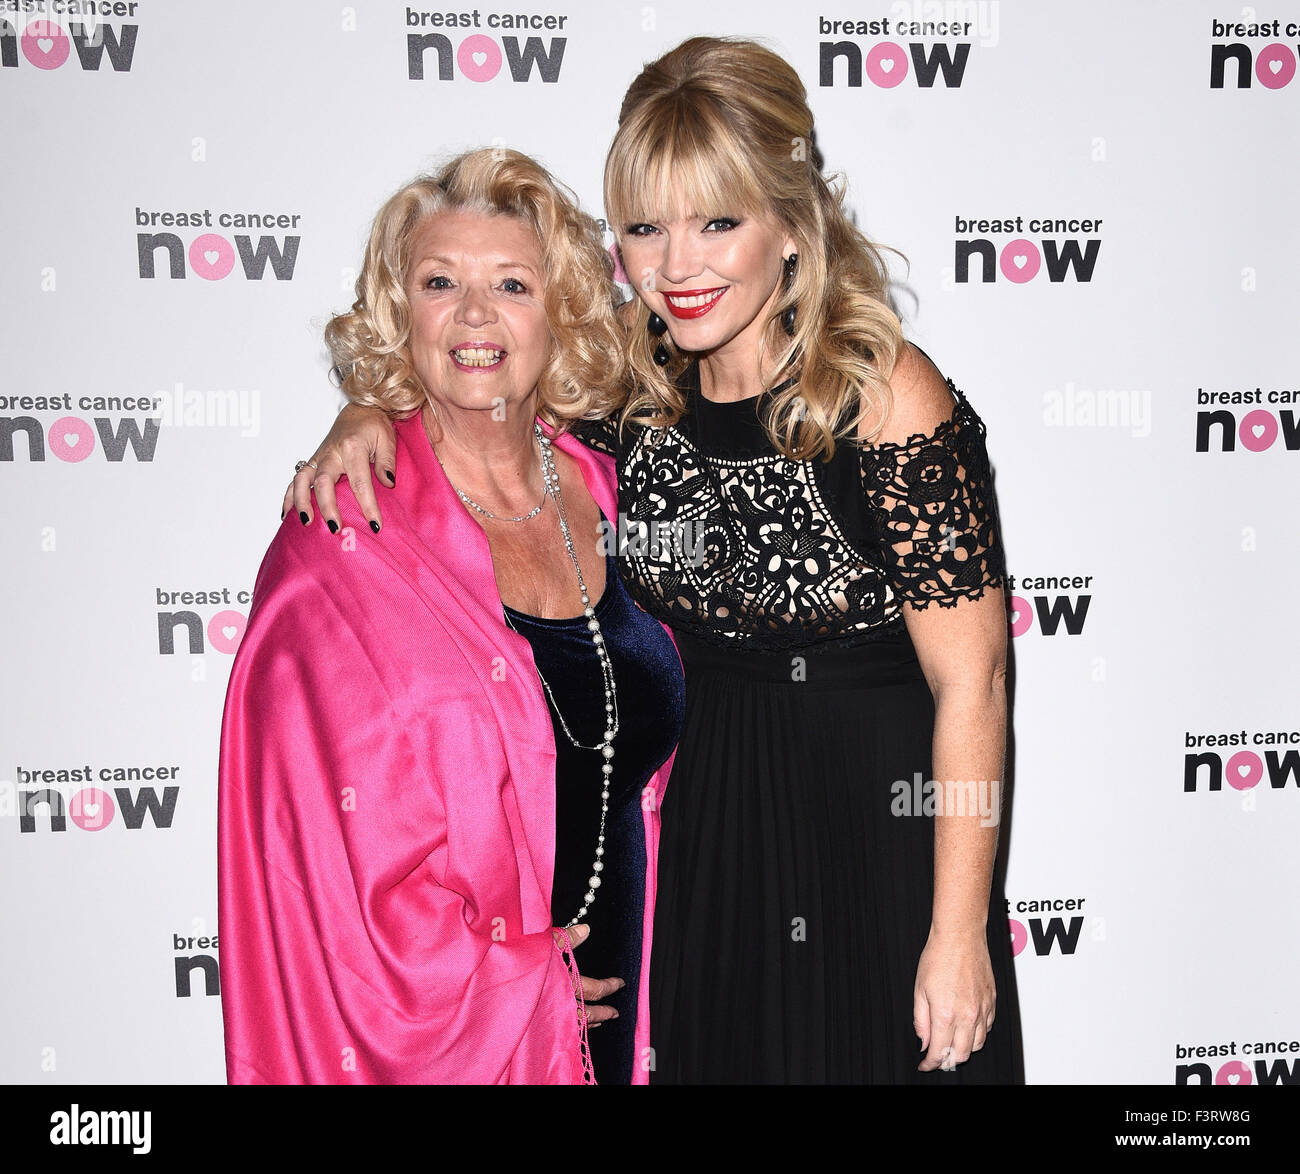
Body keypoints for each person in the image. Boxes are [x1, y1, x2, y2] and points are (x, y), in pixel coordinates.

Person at [284, 37, 1024, 1084]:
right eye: (645, 226)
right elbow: (479, 364)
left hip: (880, 842)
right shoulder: (633, 380)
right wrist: (368, 406)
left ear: (789, 224)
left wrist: (958, 933)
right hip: (710, 846)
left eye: (718, 222)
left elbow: (975, 679)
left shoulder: (881, 392)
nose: (678, 266)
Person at [218, 147, 684, 1085]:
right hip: (479, 1037)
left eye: (511, 283)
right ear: (402, 316)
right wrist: (519, 983)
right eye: (441, 283)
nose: (476, 315)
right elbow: (319, 873)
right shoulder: (340, 540)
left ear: (559, 313)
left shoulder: (620, 487)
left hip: (654, 999)